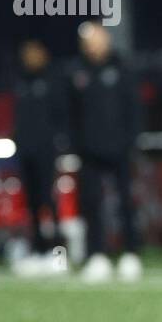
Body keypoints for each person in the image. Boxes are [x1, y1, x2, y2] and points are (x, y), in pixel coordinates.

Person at [68, 22, 142, 282]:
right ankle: (96, 255)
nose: (92, 47)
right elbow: (72, 115)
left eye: (96, 40)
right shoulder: (77, 72)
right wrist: (75, 145)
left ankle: (131, 254)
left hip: (119, 149)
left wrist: (131, 141)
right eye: (88, 42)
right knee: (91, 204)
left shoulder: (122, 68)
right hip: (89, 151)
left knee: (126, 203)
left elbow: (133, 108)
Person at [12, 40, 68, 260]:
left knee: (49, 199)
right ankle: (37, 249)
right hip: (26, 151)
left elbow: (61, 116)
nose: (29, 58)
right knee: (32, 202)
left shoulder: (53, 80)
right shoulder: (21, 82)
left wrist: (58, 142)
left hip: (46, 150)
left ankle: (58, 251)